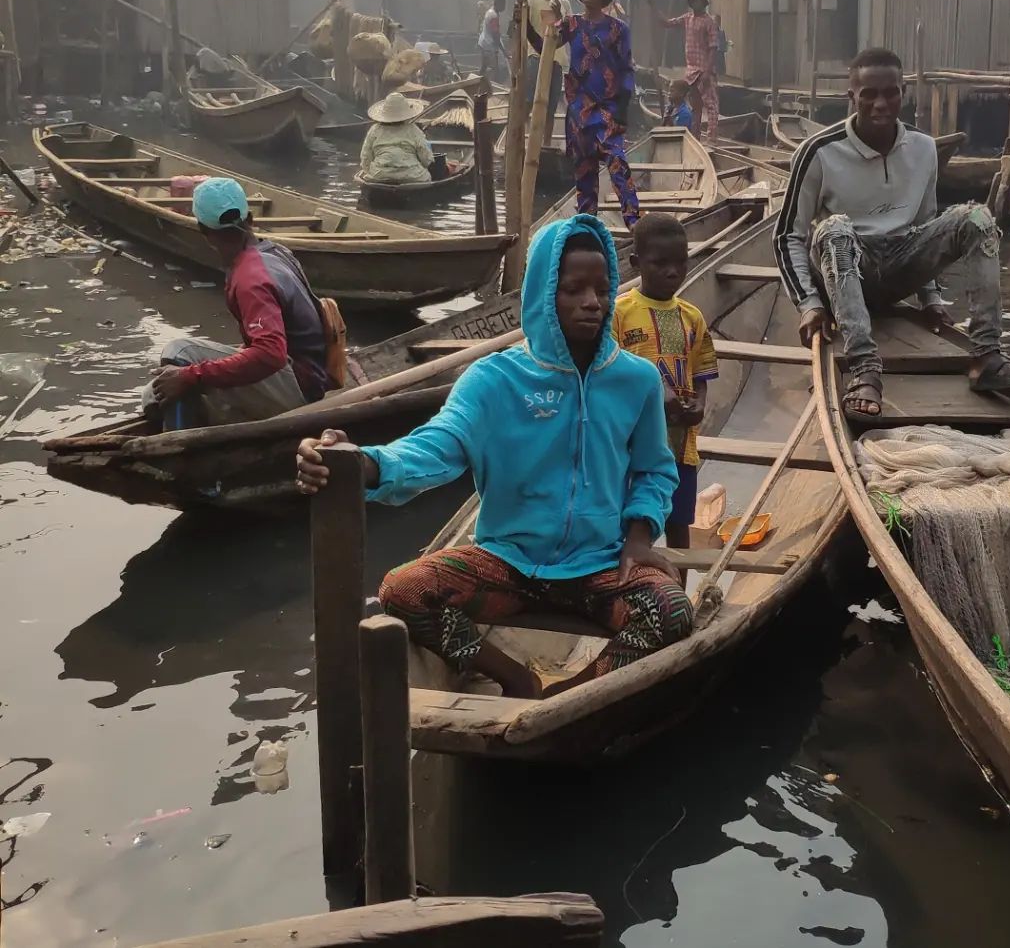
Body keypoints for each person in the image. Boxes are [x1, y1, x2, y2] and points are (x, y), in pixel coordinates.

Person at [294, 216, 690, 699]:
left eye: (601, 289)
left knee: (672, 610)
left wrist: (640, 536)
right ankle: (515, 677)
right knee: (402, 592)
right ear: (546, 294)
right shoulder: (494, 378)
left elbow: (655, 468)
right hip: (509, 564)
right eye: (573, 290)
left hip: (599, 564)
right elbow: (439, 444)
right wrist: (363, 462)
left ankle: (573, 694)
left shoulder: (636, 379)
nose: (592, 302)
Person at [774, 47, 1010, 421]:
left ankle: (986, 357)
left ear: (903, 93)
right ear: (852, 97)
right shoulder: (817, 151)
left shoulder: (924, 148)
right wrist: (808, 304)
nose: (881, 103)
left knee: (977, 217)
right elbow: (787, 236)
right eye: (869, 95)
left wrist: (931, 299)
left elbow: (925, 224)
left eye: (890, 93)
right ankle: (864, 366)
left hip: (899, 263)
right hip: (843, 269)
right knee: (834, 229)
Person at [144, 178, 330, 429]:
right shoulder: (277, 252)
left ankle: (175, 447)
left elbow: (270, 354)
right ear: (251, 219)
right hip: (312, 374)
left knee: (179, 352)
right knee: (154, 391)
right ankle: (187, 426)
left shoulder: (250, 277)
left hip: (300, 387)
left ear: (203, 230)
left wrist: (191, 375)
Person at [613, 214, 718, 547]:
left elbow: (702, 369)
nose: (673, 272)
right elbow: (610, 369)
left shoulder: (691, 316)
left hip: (679, 442)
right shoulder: (620, 312)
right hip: (630, 441)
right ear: (635, 263)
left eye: (680, 263)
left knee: (678, 521)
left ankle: (678, 594)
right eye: (660, 263)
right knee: (630, 519)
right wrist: (655, 392)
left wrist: (699, 404)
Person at [549, 0, 642, 226]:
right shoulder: (571, 24)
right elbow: (547, 43)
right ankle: (587, 227)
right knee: (584, 173)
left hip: (608, 109)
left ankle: (633, 221)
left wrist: (623, 109)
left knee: (617, 164)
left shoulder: (618, 29)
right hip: (579, 111)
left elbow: (626, 68)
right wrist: (552, 18)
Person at [650, 0, 720, 140]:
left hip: (704, 70)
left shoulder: (709, 22)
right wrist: (653, 7)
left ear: (703, 3)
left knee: (711, 106)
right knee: (696, 108)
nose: (696, 4)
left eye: (698, 1)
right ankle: (695, 138)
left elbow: (713, 48)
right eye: (693, 1)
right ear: (691, 3)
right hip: (691, 72)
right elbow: (667, 23)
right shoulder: (687, 18)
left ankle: (712, 139)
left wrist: (708, 72)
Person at [525, 0, 570, 124]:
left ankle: (547, 142)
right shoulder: (532, 1)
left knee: (551, 106)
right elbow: (523, 29)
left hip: (557, 59)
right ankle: (524, 135)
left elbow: (566, 30)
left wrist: (559, 15)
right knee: (530, 100)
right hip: (535, 57)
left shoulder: (564, 4)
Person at [358, 92, 434, 186]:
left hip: (379, 176)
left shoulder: (374, 130)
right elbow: (426, 159)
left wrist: (370, 172)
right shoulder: (413, 130)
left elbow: (365, 158)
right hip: (412, 177)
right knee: (428, 177)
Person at [478, 0, 509, 85]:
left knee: (484, 66)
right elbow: (495, 35)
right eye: (503, 5)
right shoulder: (494, 16)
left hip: (484, 42)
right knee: (497, 68)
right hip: (489, 45)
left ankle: (478, 82)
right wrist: (503, 51)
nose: (504, 7)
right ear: (498, 4)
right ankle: (495, 85)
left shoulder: (490, 11)